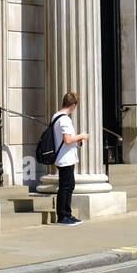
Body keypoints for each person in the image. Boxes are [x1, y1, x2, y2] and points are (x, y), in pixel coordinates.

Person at [51, 91, 88, 226]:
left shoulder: (56, 116)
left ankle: (67, 214)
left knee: (67, 186)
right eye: (75, 105)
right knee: (66, 187)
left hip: (63, 156)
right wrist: (81, 136)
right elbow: (67, 140)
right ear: (73, 105)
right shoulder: (65, 119)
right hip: (65, 158)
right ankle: (63, 215)